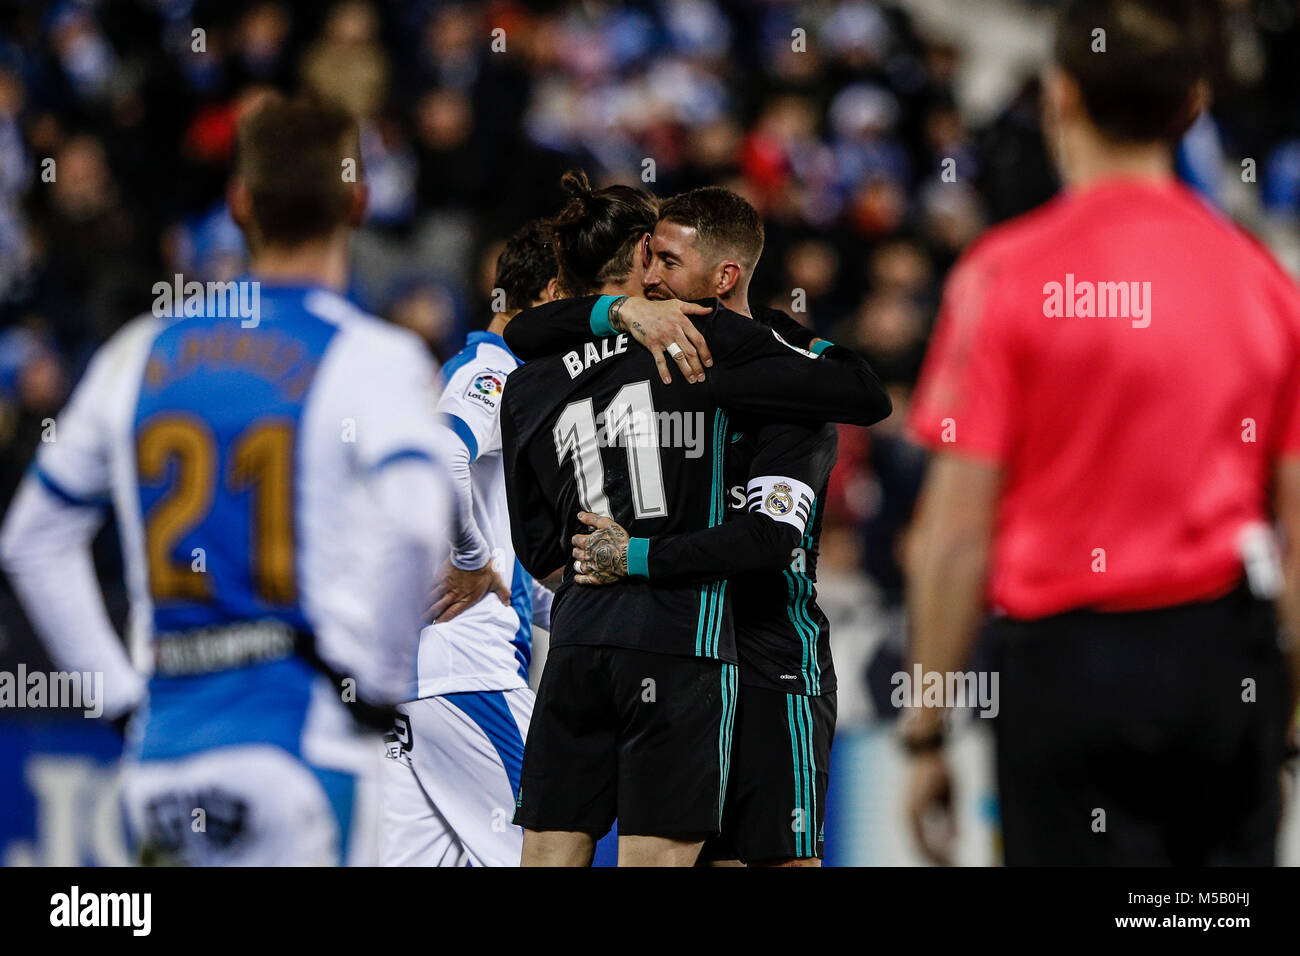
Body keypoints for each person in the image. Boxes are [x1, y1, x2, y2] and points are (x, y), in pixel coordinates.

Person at [0, 96, 453, 866]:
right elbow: (416, 525)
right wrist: (373, 687)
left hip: (164, 759)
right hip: (305, 747)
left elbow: (30, 539)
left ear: (239, 205)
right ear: (358, 200)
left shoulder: (136, 353)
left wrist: (118, 699)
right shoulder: (372, 356)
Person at [904, 0, 1300, 865]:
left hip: (1063, 674)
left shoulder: (1003, 277)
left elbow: (953, 535)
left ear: (1060, 94)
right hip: (1218, 665)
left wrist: (925, 729)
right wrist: (1287, 725)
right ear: (1193, 103)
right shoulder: (1263, 284)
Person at [500, 170, 891, 866]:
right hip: (691, 642)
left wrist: (633, 558)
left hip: (771, 657)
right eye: (651, 257)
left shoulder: (757, 363)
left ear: (722, 276)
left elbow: (773, 535)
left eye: (670, 260)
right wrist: (622, 317)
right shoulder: (683, 355)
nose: (655, 278)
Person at [380, 220, 559, 866]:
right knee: (550, 849)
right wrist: (470, 559)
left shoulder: (508, 382)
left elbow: (509, 566)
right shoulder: (491, 372)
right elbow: (441, 459)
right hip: (470, 672)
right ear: (545, 296)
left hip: (420, 681)